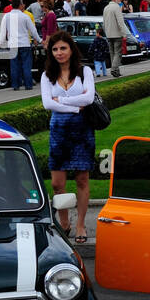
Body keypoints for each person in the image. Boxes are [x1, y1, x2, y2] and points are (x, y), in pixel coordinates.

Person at [40, 31, 95, 243]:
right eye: (55, 49)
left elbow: (89, 98)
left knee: (82, 178)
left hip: (82, 130)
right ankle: (64, 221)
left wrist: (60, 101)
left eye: (63, 48)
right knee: (57, 182)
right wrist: (74, 106)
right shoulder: (47, 76)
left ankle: (80, 224)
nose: (59, 52)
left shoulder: (85, 71)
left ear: (71, 49)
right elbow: (47, 104)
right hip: (59, 131)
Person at [0, 0, 41, 90]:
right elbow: (33, 31)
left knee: (14, 66)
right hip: (24, 44)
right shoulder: (25, 16)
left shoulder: (6, 16)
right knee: (26, 65)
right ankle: (28, 85)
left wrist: (1, 42)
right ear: (20, 5)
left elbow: (3, 31)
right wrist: (40, 40)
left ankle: (16, 85)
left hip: (13, 44)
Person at [102, 0, 125, 77]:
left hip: (109, 34)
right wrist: (124, 34)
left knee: (112, 53)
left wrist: (106, 32)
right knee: (118, 53)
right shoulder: (116, 7)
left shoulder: (106, 8)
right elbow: (120, 22)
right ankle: (114, 69)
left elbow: (104, 23)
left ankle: (116, 71)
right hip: (117, 34)